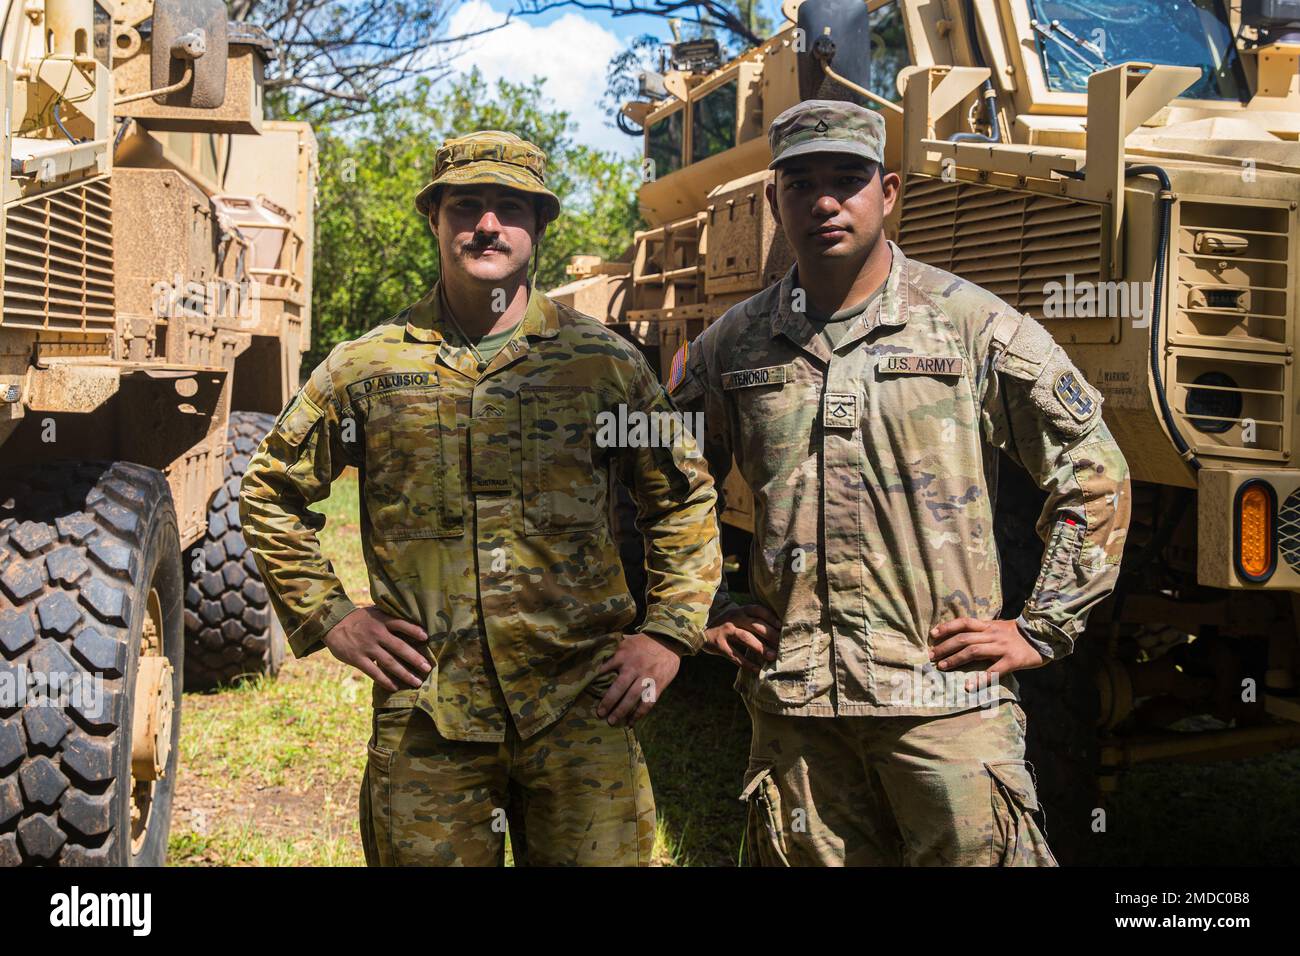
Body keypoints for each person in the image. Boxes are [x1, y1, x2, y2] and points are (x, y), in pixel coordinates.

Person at [240, 130, 721, 866]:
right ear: (434, 218)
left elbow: (681, 497)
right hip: (429, 712)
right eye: (466, 205)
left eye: (510, 207)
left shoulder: (602, 366)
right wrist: (328, 616)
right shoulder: (367, 367)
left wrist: (668, 635)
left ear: (540, 225)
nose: (487, 224)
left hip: (582, 706)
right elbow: (271, 491)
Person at [669, 100, 1131, 866]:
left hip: (944, 708)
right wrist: (698, 610)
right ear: (774, 199)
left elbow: (1093, 471)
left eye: (846, 180)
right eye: (801, 182)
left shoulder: (970, 326)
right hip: (797, 710)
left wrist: (1041, 626)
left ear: (887, 192)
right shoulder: (733, 345)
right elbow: (661, 487)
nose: (824, 201)